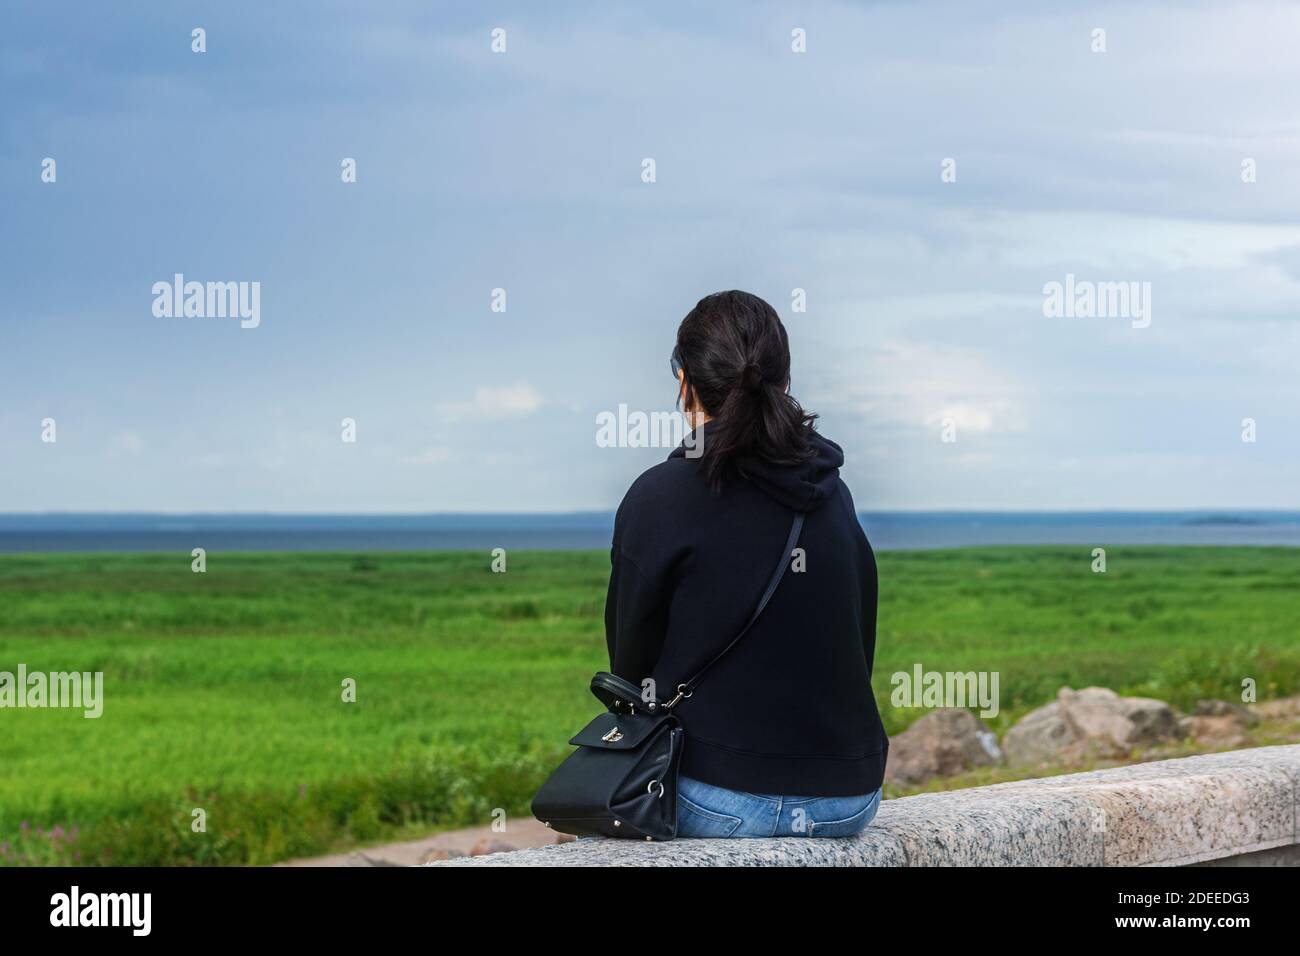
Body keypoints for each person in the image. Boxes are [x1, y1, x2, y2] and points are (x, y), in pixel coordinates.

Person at [605, 290, 889, 838]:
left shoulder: (659, 497)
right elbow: (860, 639)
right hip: (850, 795)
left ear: (684, 383)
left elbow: (630, 667)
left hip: (719, 796)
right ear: (783, 383)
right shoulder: (834, 493)